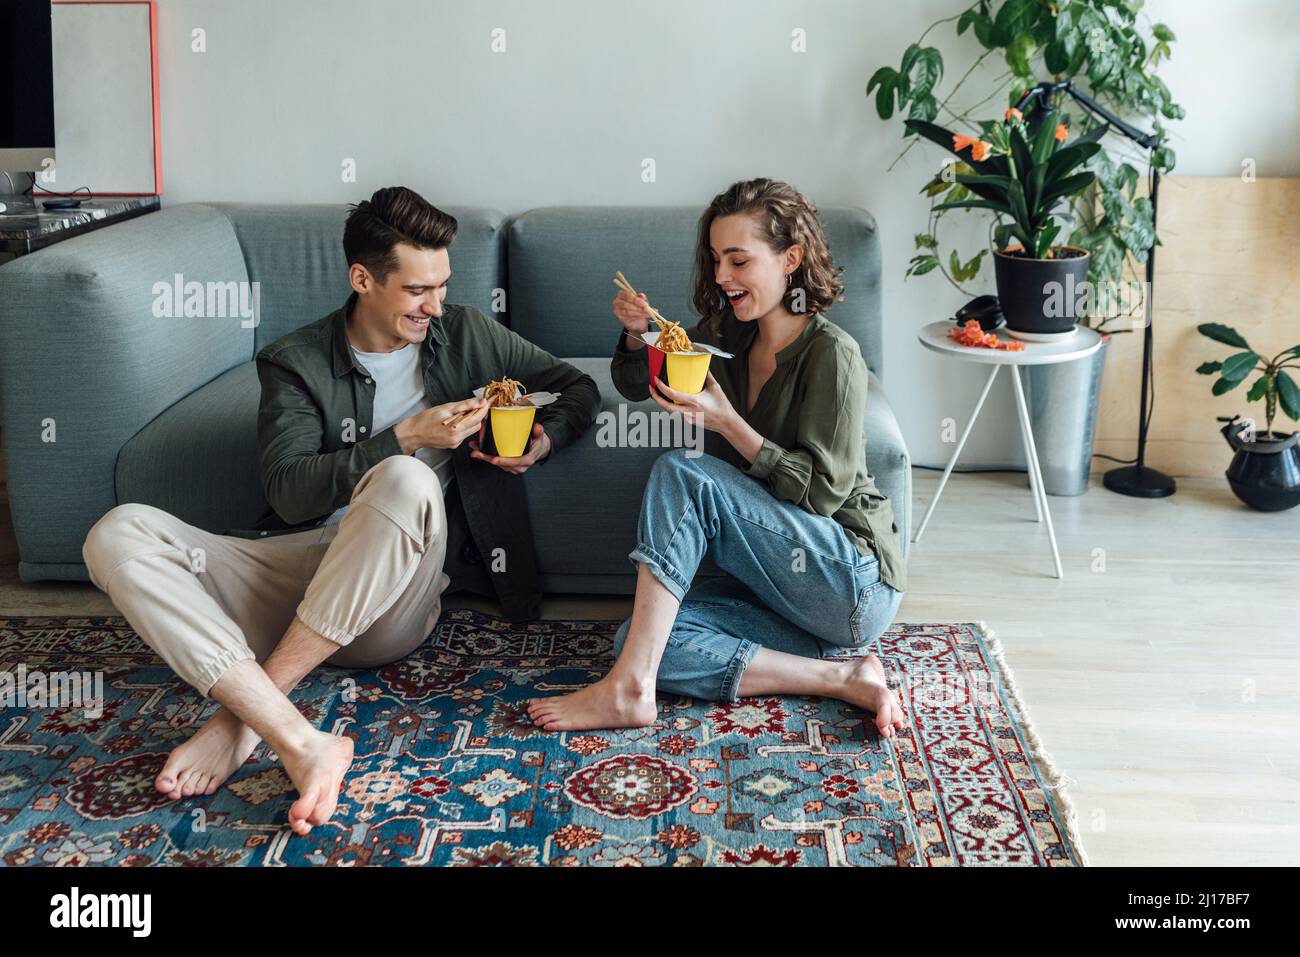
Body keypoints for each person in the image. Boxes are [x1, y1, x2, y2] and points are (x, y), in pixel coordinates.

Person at [82, 186, 600, 834]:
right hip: (295, 569)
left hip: (392, 601)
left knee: (407, 481)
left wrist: (541, 440)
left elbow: (577, 385)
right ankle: (300, 740)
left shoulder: (465, 333)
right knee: (115, 532)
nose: (436, 304)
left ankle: (238, 718)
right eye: (418, 290)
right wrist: (408, 432)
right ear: (363, 278)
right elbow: (289, 492)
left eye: (442, 284)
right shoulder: (296, 361)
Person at [527, 178, 908, 735]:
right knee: (646, 639)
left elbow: (824, 494)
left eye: (738, 260)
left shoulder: (833, 355)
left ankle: (630, 691)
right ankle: (842, 677)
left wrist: (729, 423)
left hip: (849, 580)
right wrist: (637, 336)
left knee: (685, 472)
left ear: (790, 259)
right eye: (715, 260)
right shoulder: (726, 337)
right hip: (783, 594)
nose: (722, 278)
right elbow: (637, 383)